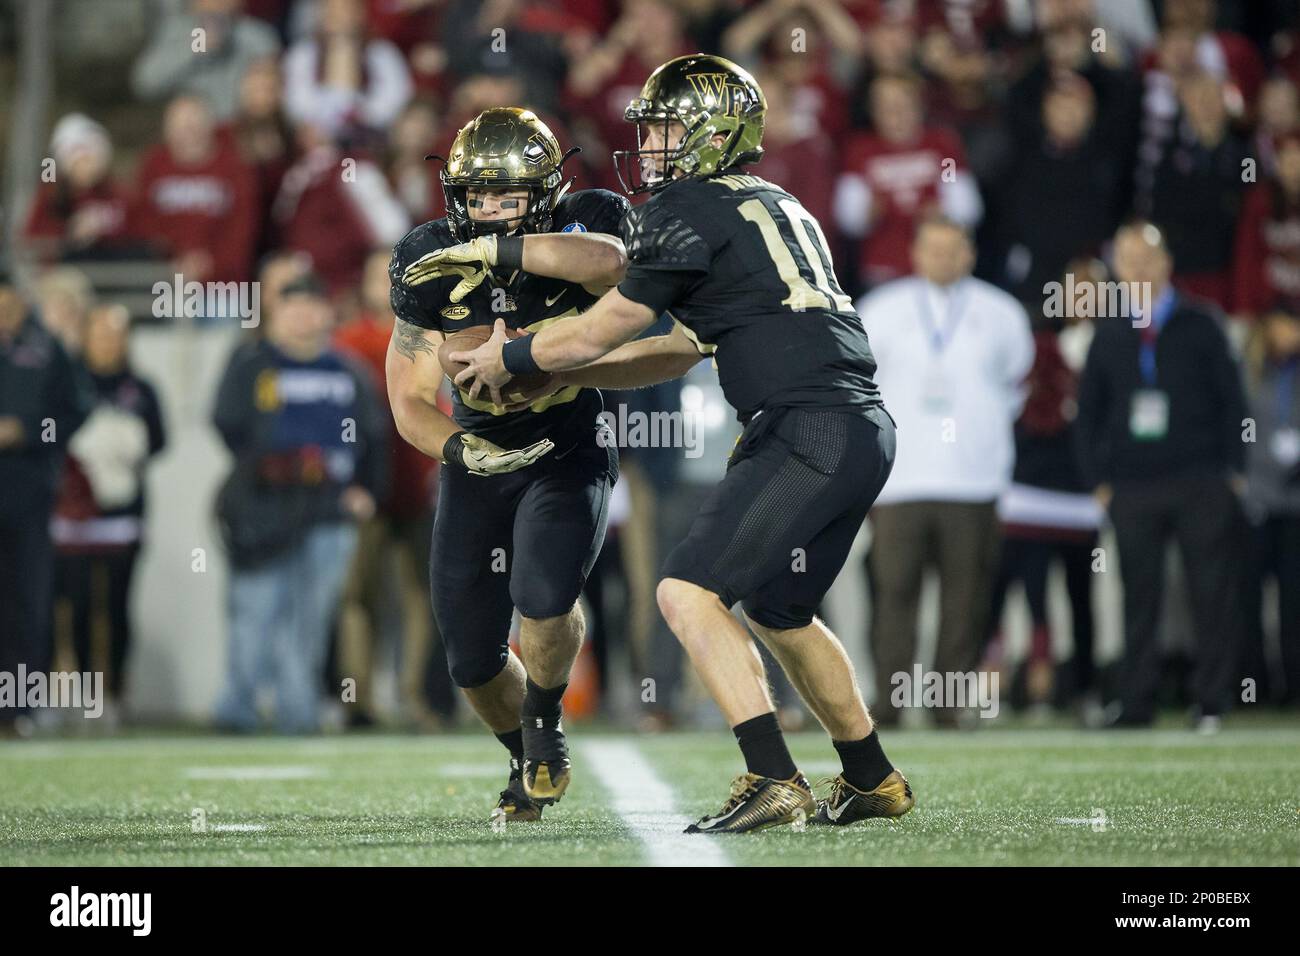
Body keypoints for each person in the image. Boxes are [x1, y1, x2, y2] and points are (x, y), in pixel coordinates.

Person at [454, 55, 912, 833]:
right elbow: (677, 346)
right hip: (859, 427)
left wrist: (515, 354)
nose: (652, 144)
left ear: (715, 132)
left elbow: (611, 323)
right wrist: (572, 374)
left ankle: (773, 776)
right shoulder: (772, 202)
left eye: (664, 127)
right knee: (779, 610)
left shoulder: (692, 204)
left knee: (683, 592)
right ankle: (871, 775)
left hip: (803, 424)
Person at [386, 108, 628, 821]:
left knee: (544, 597)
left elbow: (609, 264)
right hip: (481, 454)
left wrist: (499, 255)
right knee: (469, 656)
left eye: (508, 197)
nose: (489, 211)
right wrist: (464, 448)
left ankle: (546, 723)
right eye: (478, 196)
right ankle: (527, 758)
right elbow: (408, 398)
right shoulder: (424, 256)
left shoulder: (588, 218)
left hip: (565, 443)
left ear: (547, 192)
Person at [857, 217, 1034, 727]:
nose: (944, 259)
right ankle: (888, 702)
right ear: (914, 253)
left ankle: (949, 702)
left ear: (970, 254)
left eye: (953, 250)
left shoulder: (1001, 313)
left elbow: (1016, 385)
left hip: (973, 480)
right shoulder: (880, 310)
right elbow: (859, 387)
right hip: (899, 481)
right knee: (894, 594)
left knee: (966, 596)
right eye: (933, 249)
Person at [1075, 221, 1247, 731]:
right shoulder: (1107, 334)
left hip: (1200, 479)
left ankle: (1212, 700)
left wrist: (1233, 473)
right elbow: (1087, 416)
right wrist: (1098, 484)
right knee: (1138, 597)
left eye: (1147, 259)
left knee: (1210, 593)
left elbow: (1232, 401)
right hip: (1132, 486)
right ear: (1117, 269)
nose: (1139, 270)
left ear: (1167, 263)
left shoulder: (1202, 323)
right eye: (1128, 261)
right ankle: (1136, 702)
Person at [211, 274, 387, 733]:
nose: (303, 316)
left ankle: (298, 710)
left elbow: (374, 437)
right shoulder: (252, 365)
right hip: (265, 509)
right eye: (293, 307)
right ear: (276, 313)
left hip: (328, 511)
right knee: (255, 609)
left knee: (311, 618)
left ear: (327, 312)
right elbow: (227, 424)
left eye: (312, 306)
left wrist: (366, 489)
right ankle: (239, 708)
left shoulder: (349, 371)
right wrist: (272, 466)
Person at [333, 249, 446, 728]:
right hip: (368, 489)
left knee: (424, 595)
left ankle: (415, 696)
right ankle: (359, 699)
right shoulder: (348, 341)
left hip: (418, 483)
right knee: (358, 595)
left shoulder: (429, 335)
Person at [51, 305, 167, 725]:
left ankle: (115, 690)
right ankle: (83, 693)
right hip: (76, 515)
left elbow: (158, 439)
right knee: (75, 605)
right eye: (100, 334)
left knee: (117, 607)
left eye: (116, 335)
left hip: (123, 512)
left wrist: (124, 447)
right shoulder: (69, 382)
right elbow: (53, 433)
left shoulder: (140, 388)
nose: (108, 343)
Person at [0, 264, 92, 735]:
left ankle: (20, 709)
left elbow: (73, 411)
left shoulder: (45, 349)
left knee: (27, 600)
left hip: (27, 493)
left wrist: (27, 432)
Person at [1241, 307, 1300, 708]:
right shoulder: (1247, 373)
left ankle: (1294, 686)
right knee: (1248, 602)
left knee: (1294, 602)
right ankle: (1252, 688)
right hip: (1255, 502)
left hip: (1295, 504)